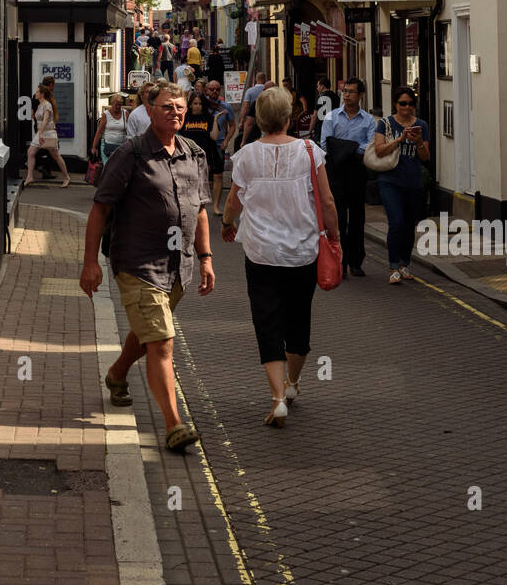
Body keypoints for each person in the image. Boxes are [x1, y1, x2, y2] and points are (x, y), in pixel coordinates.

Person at [81, 81, 215, 452]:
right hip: (138, 264)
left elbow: (201, 209)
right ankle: (174, 424)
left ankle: (117, 373)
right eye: (168, 107)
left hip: (179, 266)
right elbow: (100, 209)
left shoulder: (194, 154)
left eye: (180, 107)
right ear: (150, 109)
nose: (176, 113)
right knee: (162, 341)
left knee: (148, 333)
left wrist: (205, 258)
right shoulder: (131, 154)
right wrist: (90, 262)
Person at [221, 87, 339, 428]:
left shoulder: (245, 156)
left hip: (260, 252)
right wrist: (334, 234)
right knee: (298, 318)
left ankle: (276, 399)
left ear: (258, 120)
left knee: (267, 321)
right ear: (288, 118)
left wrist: (228, 224)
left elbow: (234, 201)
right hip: (303, 251)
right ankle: (292, 385)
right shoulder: (310, 151)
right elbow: (328, 202)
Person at [371, 85, 430, 284]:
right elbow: (379, 151)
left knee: (408, 226)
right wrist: (400, 139)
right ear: (395, 104)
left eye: (411, 104)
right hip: (390, 181)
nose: (407, 108)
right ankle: (394, 267)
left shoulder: (421, 125)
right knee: (396, 223)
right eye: (403, 103)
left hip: (413, 182)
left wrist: (420, 140)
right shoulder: (385, 124)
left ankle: (405, 264)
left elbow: (425, 156)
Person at [320, 78, 376, 278]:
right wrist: (352, 148)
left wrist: (342, 147)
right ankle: (339, 263)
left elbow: (369, 147)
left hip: (357, 173)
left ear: (361, 95)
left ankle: (356, 262)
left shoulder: (368, 120)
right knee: (339, 219)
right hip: (336, 173)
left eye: (351, 91)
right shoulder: (331, 117)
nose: (346, 95)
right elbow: (325, 144)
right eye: (345, 91)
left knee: (357, 219)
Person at [24, 83, 71, 188]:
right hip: (40, 133)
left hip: (48, 133)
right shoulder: (39, 105)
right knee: (30, 152)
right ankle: (30, 177)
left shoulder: (47, 105)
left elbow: (45, 120)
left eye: (37, 92)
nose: (35, 94)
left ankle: (67, 177)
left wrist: (40, 133)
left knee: (56, 156)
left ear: (42, 94)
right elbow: (38, 119)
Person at [206, 79, 236, 214]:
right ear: (207, 90)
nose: (214, 92)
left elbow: (233, 125)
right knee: (202, 175)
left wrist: (227, 140)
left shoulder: (225, 107)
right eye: (211, 89)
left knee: (218, 175)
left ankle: (216, 206)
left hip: (218, 145)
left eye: (217, 89)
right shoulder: (201, 105)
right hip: (204, 144)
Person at [90, 93, 128, 167]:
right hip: (107, 147)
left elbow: (129, 131)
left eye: (120, 105)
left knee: (119, 169)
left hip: (121, 147)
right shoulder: (106, 114)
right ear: (112, 103)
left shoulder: (125, 113)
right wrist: (94, 147)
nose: (118, 107)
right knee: (109, 168)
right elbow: (99, 132)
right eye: (116, 104)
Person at [309, 76, 340, 143]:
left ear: (322, 86)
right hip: (334, 127)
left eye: (318, 86)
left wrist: (310, 131)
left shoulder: (320, 98)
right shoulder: (336, 97)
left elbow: (314, 116)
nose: (317, 88)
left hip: (321, 128)